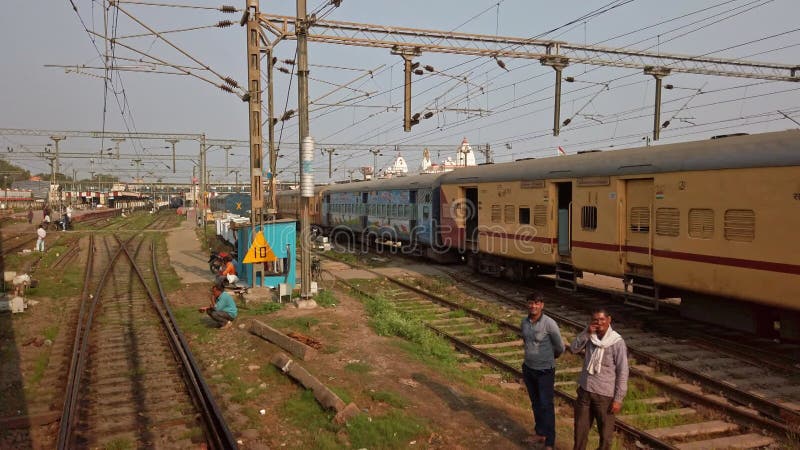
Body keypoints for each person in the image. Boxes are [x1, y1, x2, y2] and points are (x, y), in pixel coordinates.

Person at [570, 307, 629, 450]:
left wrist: (618, 398)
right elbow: (573, 348)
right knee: (580, 431)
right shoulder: (590, 335)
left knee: (606, 435)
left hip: (605, 396)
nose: (599, 322)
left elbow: (623, 371)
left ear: (609, 320)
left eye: (602, 319)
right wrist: (586, 333)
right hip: (585, 391)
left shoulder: (617, 342)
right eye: (595, 320)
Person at [521, 292, 564, 450]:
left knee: (546, 405)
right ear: (527, 304)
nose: (533, 306)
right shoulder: (524, 322)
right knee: (536, 403)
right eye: (531, 302)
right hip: (529, 368)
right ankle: (540, 433)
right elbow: (526, 341)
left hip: (545, 371)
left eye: (537, 303)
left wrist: (550, 358)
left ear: (542, 305)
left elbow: (560, 346)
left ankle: (550, 442)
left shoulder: (549, 323)